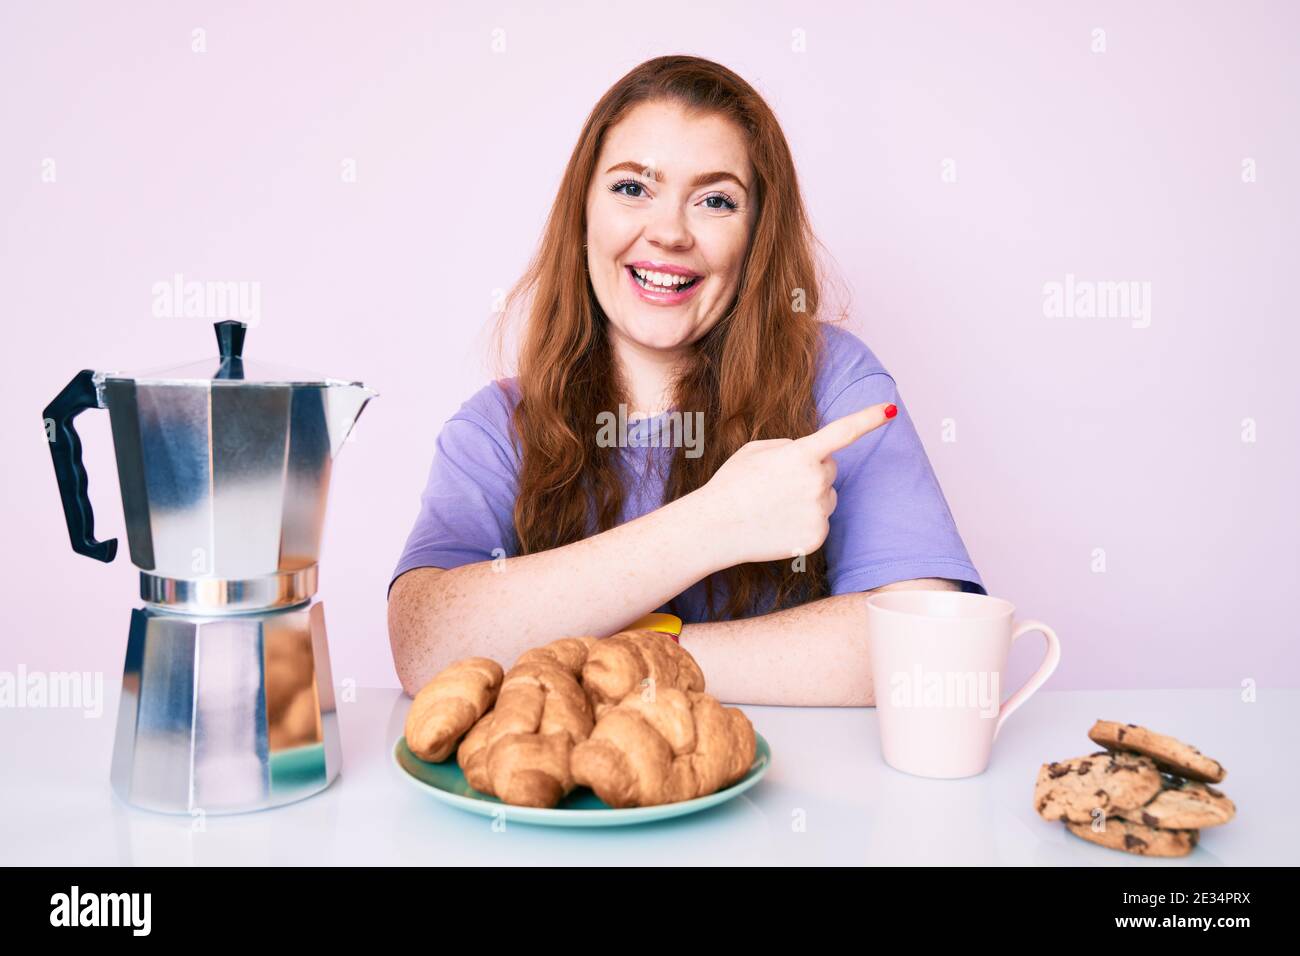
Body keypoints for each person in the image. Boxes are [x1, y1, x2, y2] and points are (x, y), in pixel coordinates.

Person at [388, 55, 984, 706]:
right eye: (632, 188)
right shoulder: (496, 429)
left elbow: (924, 645)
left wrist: (634, 659)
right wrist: (718, 522)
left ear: (756, 235)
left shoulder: (835, 381)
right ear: (582, 212)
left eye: (716, 200)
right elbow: (426, 649)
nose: (669, 232)